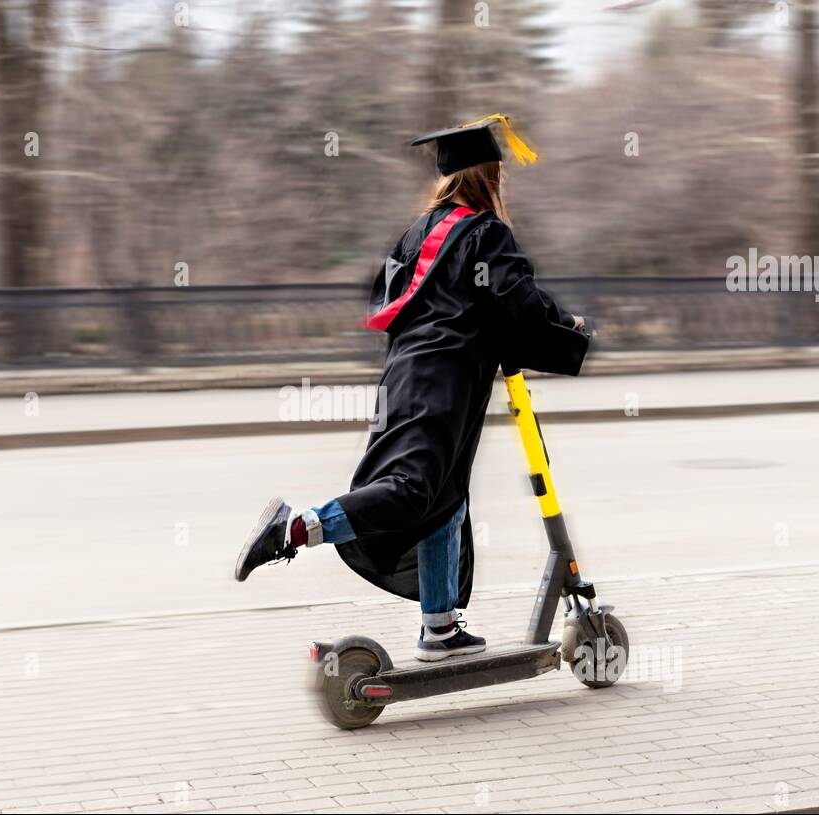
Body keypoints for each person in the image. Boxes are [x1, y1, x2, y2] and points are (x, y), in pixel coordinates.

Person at [234, 114, 590, 662]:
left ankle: (440, 628)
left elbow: (401, 302)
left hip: (406, 374)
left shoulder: (416, 233)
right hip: (448, 381)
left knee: (443, 499)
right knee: (414, 489)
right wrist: (566, 330)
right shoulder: (485, 233)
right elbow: (519, 302)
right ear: (488, 177)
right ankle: (297, 528)